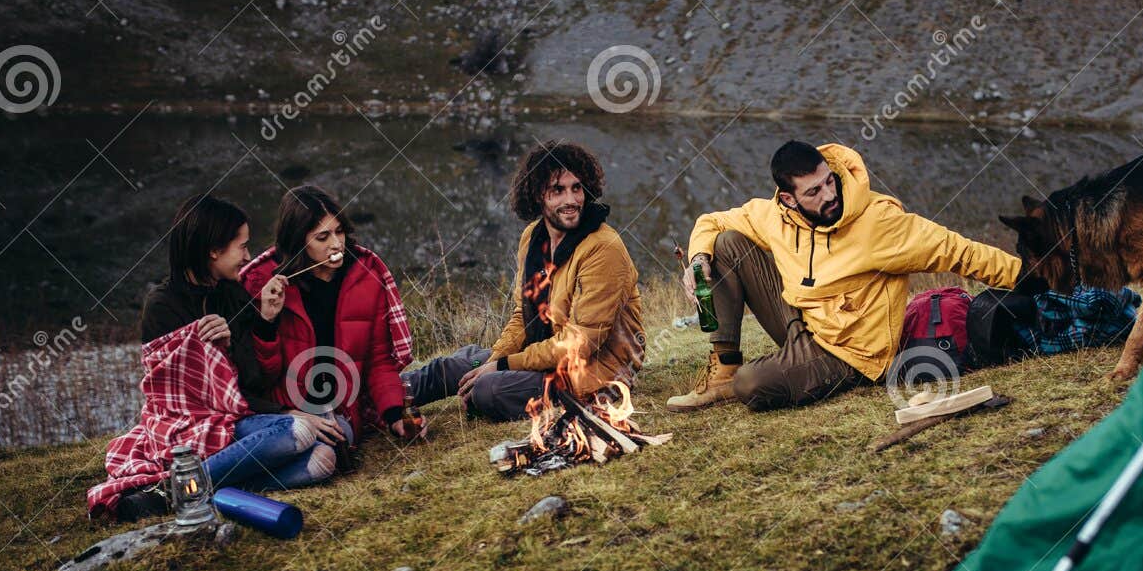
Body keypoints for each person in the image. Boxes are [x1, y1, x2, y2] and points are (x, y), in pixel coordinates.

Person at [668, 140, 1022, 412]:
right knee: (726, 243)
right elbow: (712, 221)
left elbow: (959, 251)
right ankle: (724, 368)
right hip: (802, 323)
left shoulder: (879, 222)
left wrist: (1031, 278)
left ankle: (750, 377)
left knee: (751, 385)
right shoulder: (775, 217)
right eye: (814, 191)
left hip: (850, 354)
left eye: (829, 181)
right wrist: (698, 261)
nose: (829, 194)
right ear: (788, 200)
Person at [99, 195, 341, 522]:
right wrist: (209, 354)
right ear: (214, 250)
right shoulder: (162, 305)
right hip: (189, 425)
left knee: (323, 459)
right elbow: (179, 396)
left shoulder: (231, 293)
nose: (248, 256)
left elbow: (253, 382)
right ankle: (170, 490)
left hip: (234, 418)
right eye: (242, 247)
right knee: (296, 430)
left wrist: (265, 321)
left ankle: (196, 492)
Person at [401, 141, 643, 419]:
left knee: (489, 389)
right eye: (558, 190)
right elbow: (523, 317)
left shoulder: (603, 247)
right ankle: (379, 399)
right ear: (538, 194)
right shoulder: (532, 238)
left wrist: (502, 366)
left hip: (597, 371)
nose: (571, 200)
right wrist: (495, 359)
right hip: (545, 354)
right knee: (454, 368)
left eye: (577, 188)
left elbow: (581, 343)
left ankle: (498, 383)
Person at [240, 185, 422, 455]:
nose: (336, 244)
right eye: (322, 237)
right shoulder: (262, 282)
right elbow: (256, 378)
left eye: (340, 231)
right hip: (286, 409)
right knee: (319, 446)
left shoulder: (365, 275)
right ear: (298, 241)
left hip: (343, 406)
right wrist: (266, 321)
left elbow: (379, 360)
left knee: (337, 442)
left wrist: (395, 416)